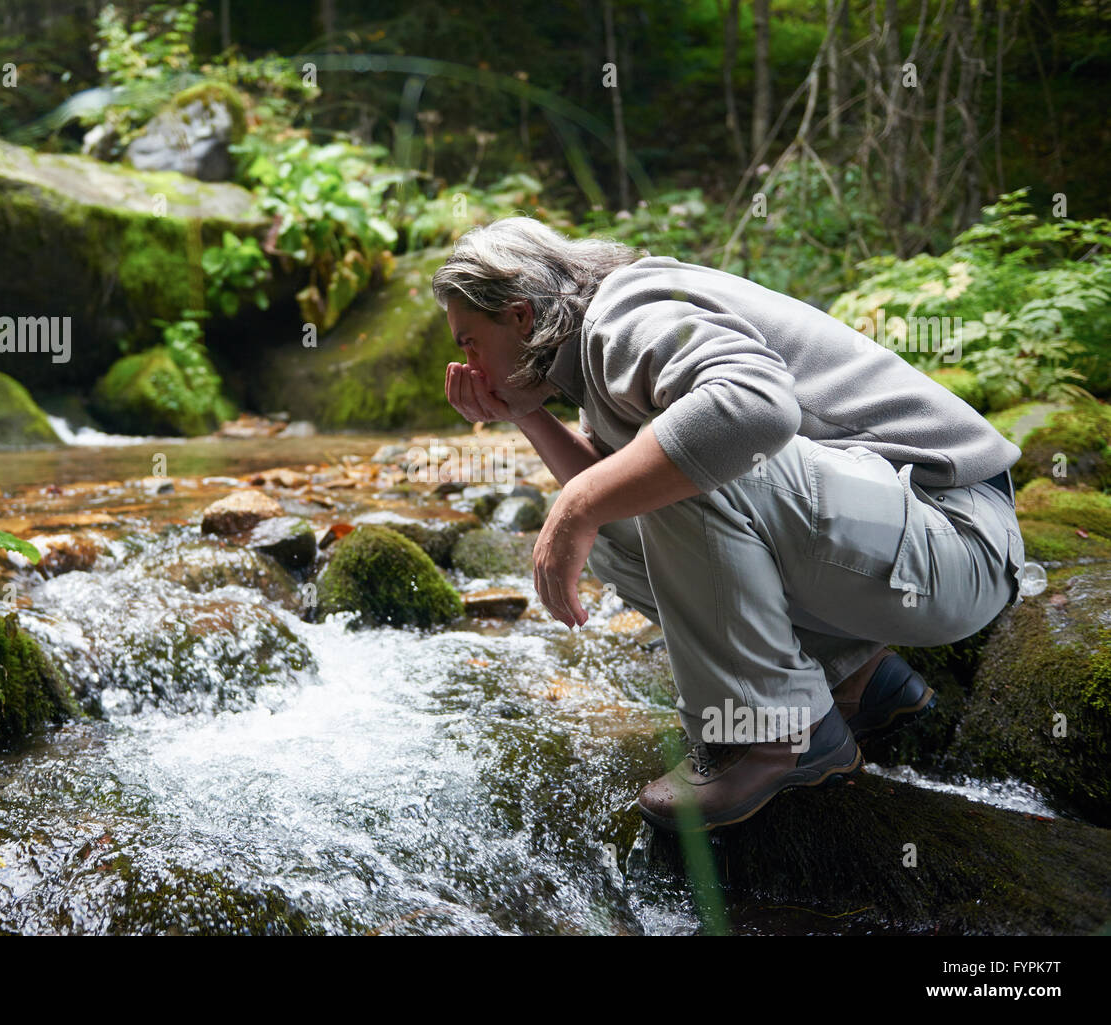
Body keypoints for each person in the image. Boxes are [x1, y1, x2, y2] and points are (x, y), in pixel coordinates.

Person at [433, 215, 1026, 833]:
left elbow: (752, 409)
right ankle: (855, 677)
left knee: (677, 465)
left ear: (521, 316)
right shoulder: (591, 355)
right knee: (616, 519)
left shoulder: (626, 314)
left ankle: (768, 734)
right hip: (908, 550)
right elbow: (613, 490)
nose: (467, 361)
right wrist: (528, 418)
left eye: (468, 340)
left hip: (958, 535)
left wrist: (577, 504)